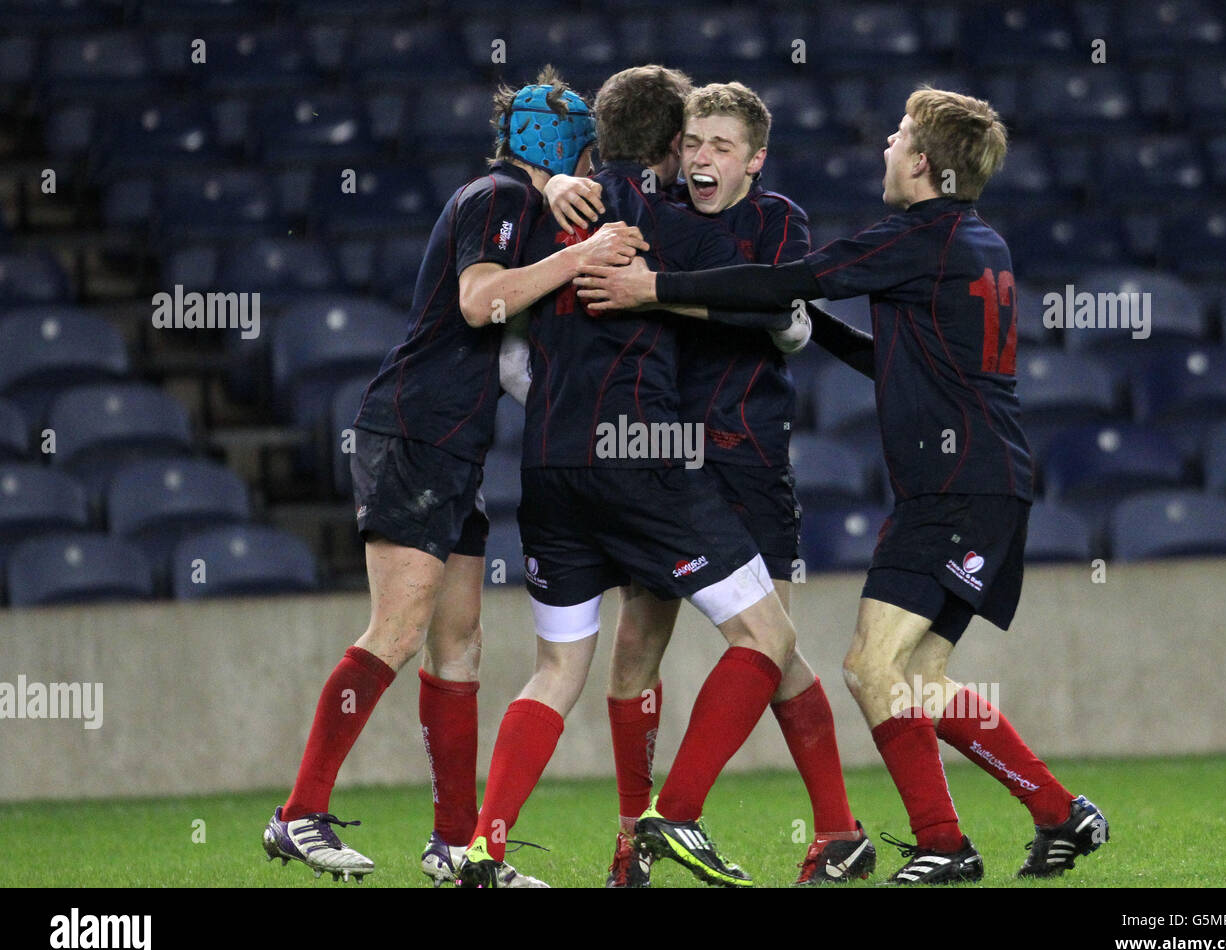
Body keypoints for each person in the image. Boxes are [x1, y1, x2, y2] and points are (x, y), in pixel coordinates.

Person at [576, 85, 1110, 884]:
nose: (885, 149)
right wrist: (812, 326)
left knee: (870, 667)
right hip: (987, 479)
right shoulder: (978, 239)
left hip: (955, 486)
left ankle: (943, 844)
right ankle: (1059, 812)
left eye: (897, 137)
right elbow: (891, 357)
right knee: (919, 679)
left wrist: (653, 290)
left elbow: (786, 278)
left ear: (925, 165)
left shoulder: (915, 236)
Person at [260, 66, 647, 886]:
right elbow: (481, 303)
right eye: (583, 139)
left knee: (460, 644)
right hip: (414, 431)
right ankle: (299, 813)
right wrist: (582, 252)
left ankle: (453, 844)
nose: (592, 156)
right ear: (555, 141)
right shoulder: (500, 197)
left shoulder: (522, 209)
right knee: (396, 633)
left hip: (454, 445)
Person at [457, 65, 801, 889]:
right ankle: (672, 814)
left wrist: (564, 187)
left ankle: (482, 850)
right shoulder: (659, 216)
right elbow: (772, 305)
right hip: (641, 458)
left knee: (557, 670)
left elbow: (498, 322)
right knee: (768, 638)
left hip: (546, 466)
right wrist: (660, 289)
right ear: (672, 149)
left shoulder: (541, 213)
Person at [550, 81, 872, 888]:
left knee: (773, 650)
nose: (701, 158)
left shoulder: (777, 220)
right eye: (693, 142)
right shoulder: (649, 214)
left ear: (755, 160)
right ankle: (637, 840)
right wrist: (554, 181)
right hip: (661, 457)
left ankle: (831, 830)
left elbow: (764, 302)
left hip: (751, 455)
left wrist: (657, 294)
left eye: (721, 147)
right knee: (636, 648)